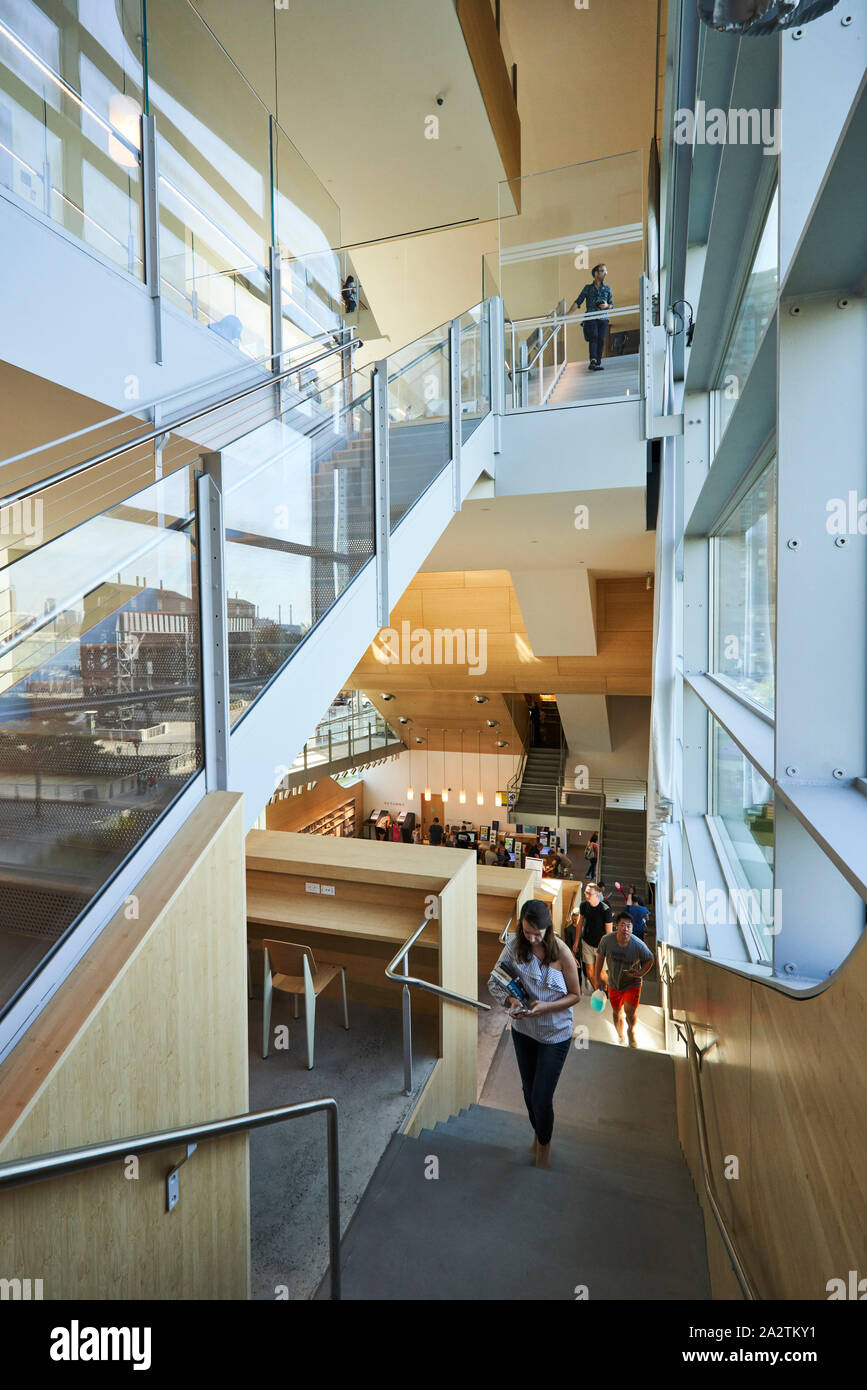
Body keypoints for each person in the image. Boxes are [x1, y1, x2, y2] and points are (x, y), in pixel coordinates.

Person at [488, 900, 580, 1169]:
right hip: (523, 1030)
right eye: (527, 932)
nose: (531, 938)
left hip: (555, 1033)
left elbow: (576, 995)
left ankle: (544, 1146)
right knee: (528, 1092)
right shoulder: (515, 945)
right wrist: (511, 1003)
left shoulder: (561, 952)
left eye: (537, 934)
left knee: (541, 1096)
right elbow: (495, 979)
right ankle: (538, 1137)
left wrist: (547, 1007)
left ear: (547, 928)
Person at [596, 912, 654, 1047]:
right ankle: (620, 1035)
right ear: (616, 926)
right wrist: (597, 977)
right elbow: (599, 958)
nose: (626, 929)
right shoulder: (606, 940)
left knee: (630, 1011)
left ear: (632, 928)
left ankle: (631, 1032)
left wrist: (640, 973)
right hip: (614, 982)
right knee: (616, 1013)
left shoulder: (638, 944)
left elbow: (650, 959)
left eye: (629, 926)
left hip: (632, 983)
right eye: (623, 925)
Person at [569, 263, 613, 371]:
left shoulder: (607, 289)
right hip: (591, 317)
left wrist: (607, 306)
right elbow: (578, 301)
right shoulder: (588, 288)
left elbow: (612, 305)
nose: (605, 273)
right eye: (603, 271)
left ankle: (597, 361)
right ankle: (593, 360)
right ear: (596, 274)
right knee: (594, 336)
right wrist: (568, 314)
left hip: (603, 318)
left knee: (601, 339)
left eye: (605, 271)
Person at [571, 881, 612, 994]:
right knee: (589, 972)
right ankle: (598, 993)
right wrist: (576, 941)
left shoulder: (605, 910)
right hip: (587, 943)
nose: (587, 895)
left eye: (589, 893)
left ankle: (609, 990)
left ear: (597, 894)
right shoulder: (584, 905)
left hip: (601, 946)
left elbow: (609, 932)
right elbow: (579, 923)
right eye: (586, 893)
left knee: (602, 974)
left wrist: (608, 949)